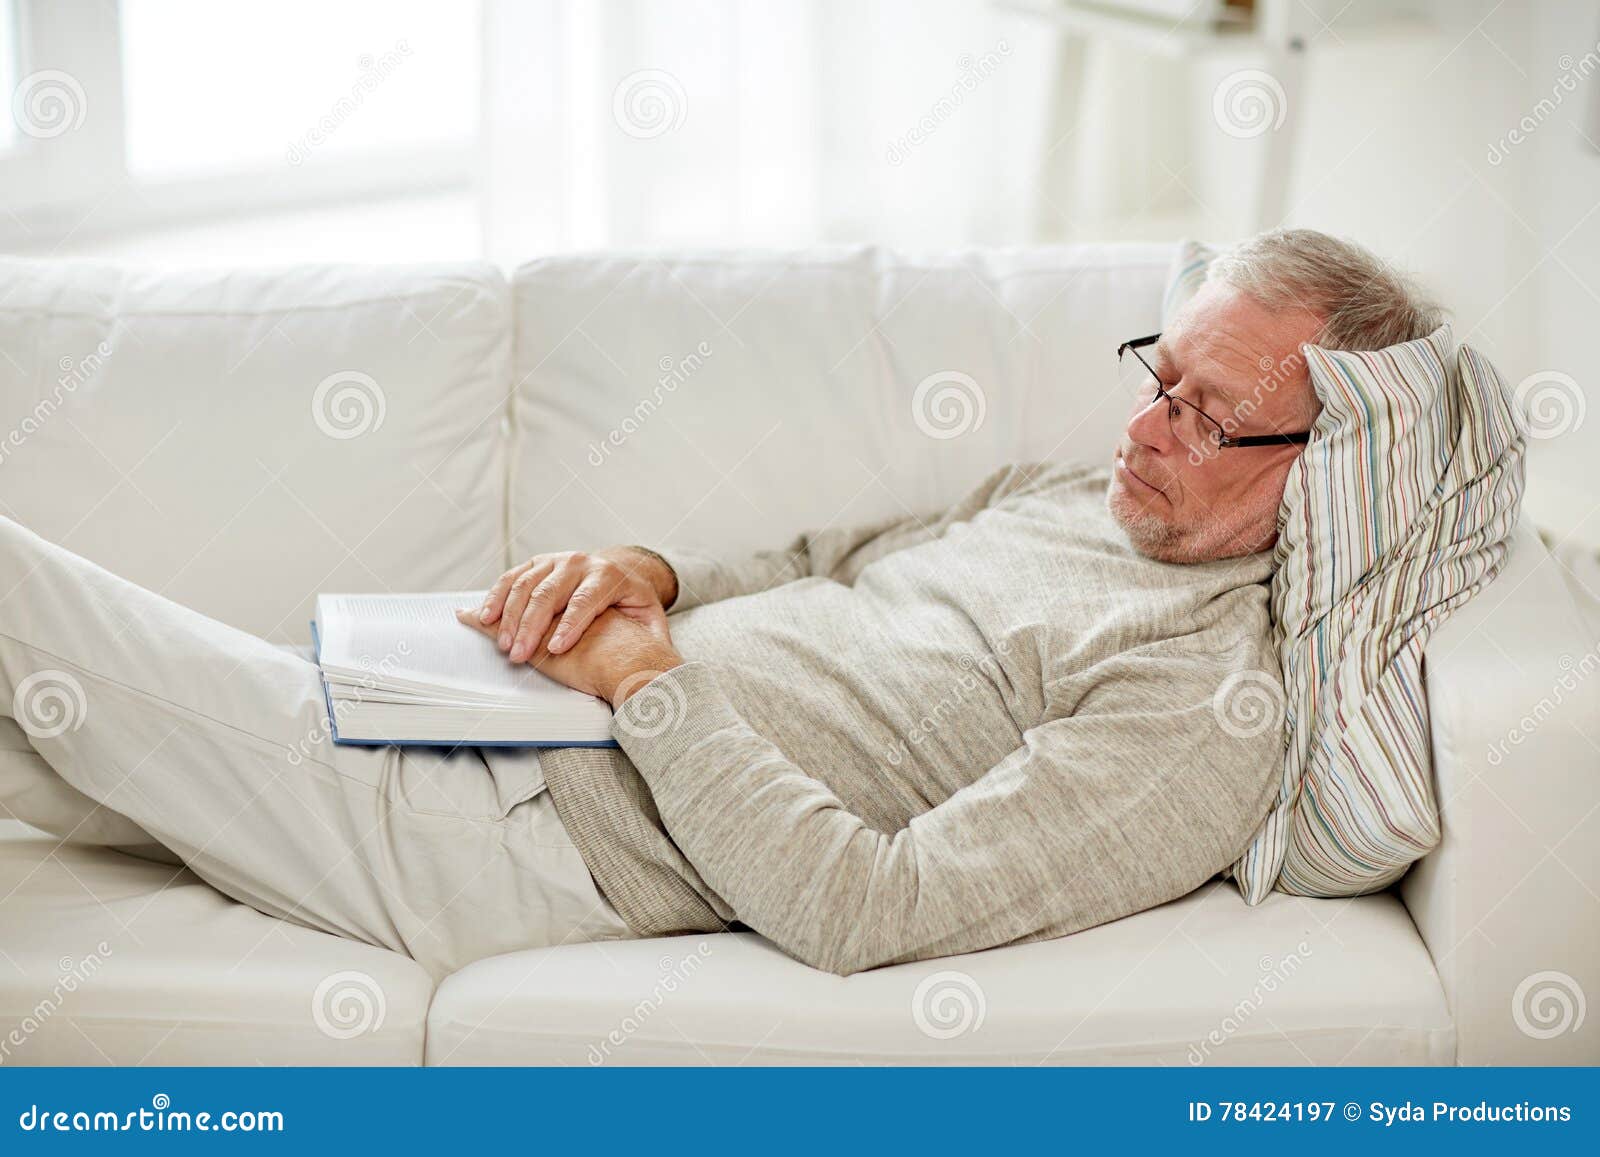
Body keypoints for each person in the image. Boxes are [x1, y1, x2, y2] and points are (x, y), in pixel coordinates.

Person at [0, 229, 1442, 978]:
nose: (1143, 428)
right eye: (1157, 375)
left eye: (1202, 415)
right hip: (492, 712)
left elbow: (871, 910)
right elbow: (839, 555)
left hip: (516, 833)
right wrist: (653, 580)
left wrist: (648, 682)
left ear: (1324, 469)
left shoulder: (1202, 703)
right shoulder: (1092, 495)